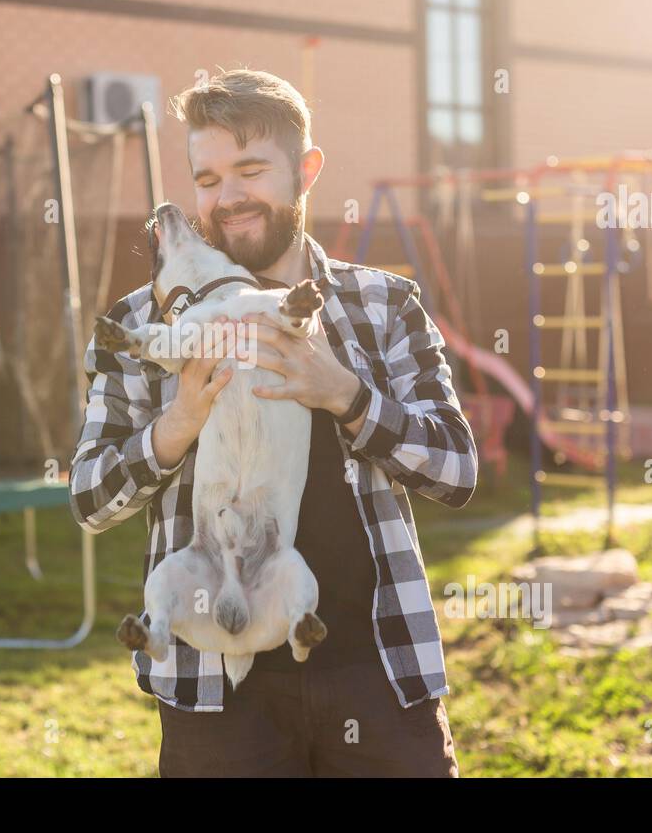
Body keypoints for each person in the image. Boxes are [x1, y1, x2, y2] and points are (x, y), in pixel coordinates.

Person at [69, 69, 477, 777]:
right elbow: (89, 498)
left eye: (251, 170)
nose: (227, 198)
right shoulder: (141, 323)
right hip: (218, 697)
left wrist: (346, 394)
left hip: (378, 670)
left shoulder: (384, 304)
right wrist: (176, 425)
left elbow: (457, 472)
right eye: (207, 178)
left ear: (307, 170)